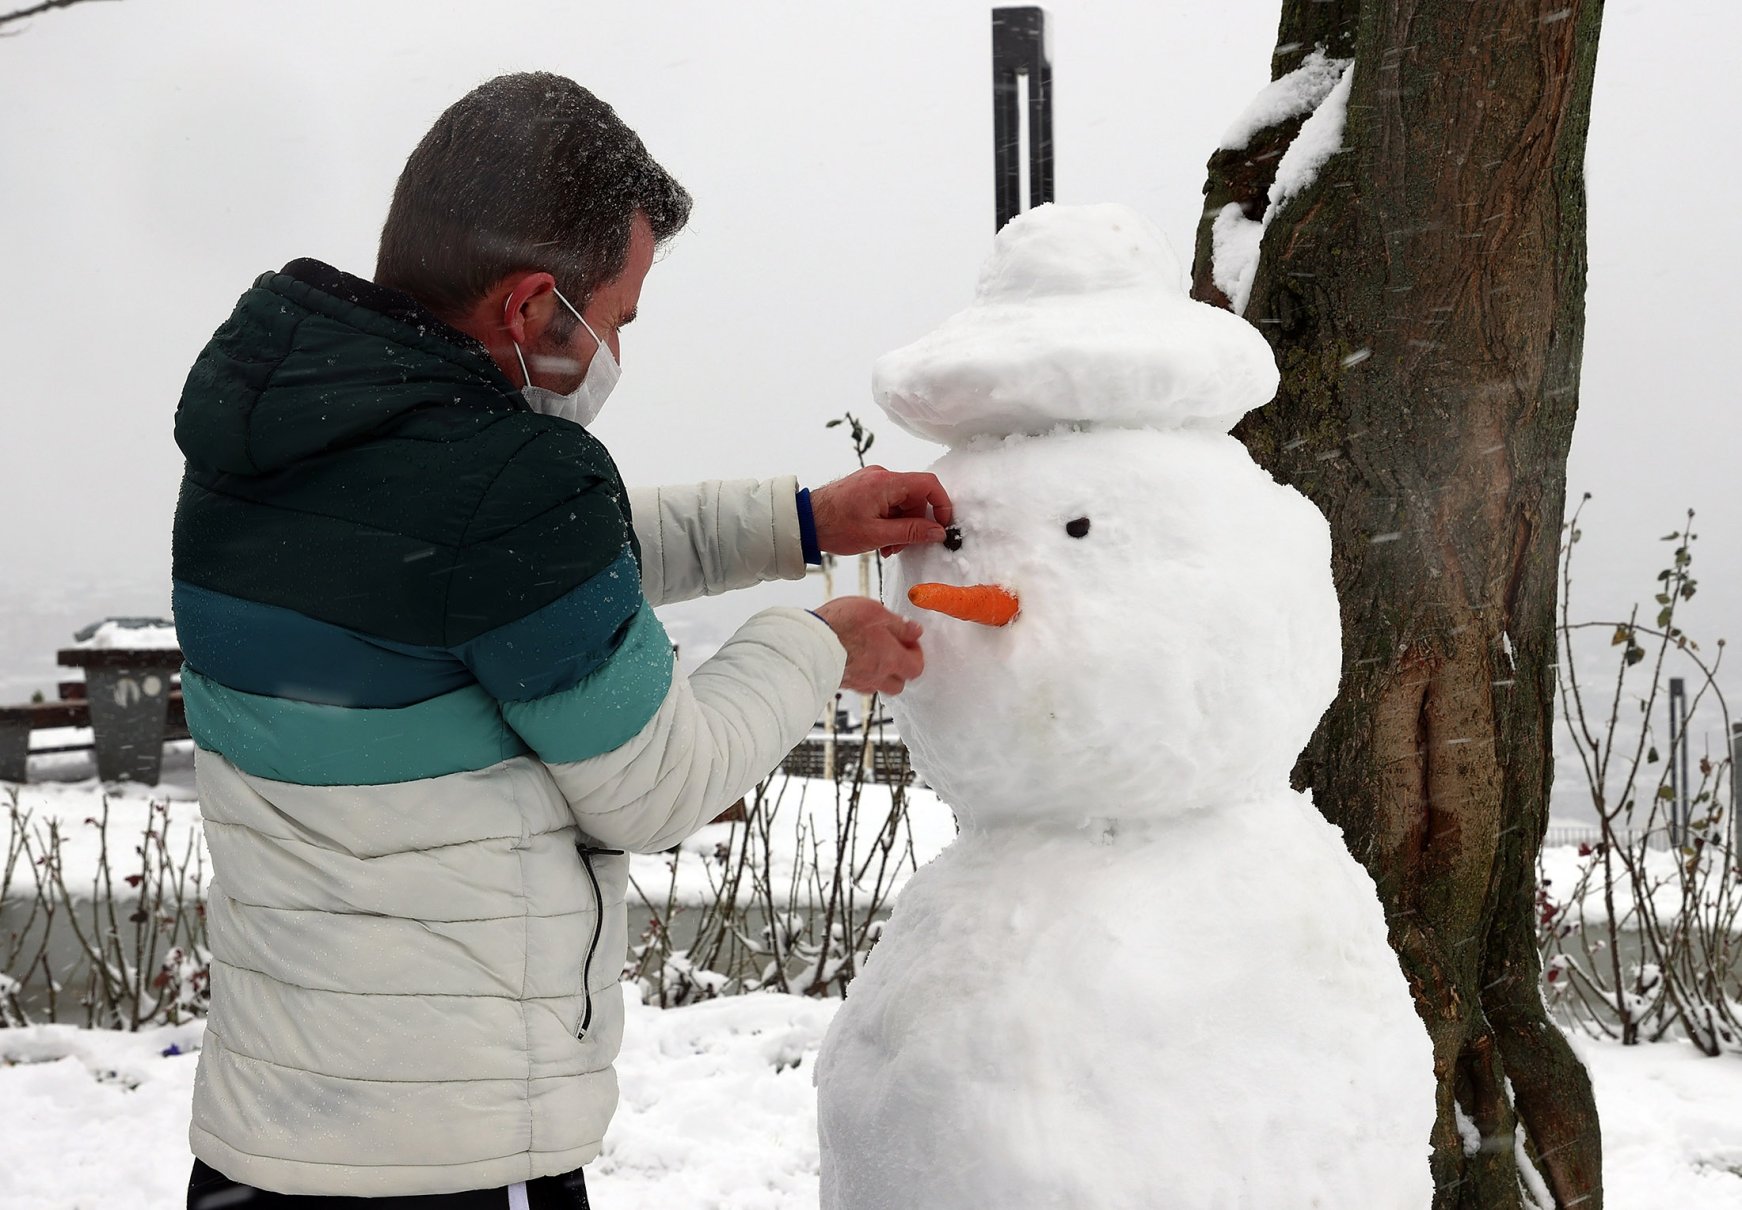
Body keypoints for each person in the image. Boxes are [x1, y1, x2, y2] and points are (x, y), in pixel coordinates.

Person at [173, 71, 951, 1209]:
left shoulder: (270, 445)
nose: (618, 346)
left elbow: (503, 566)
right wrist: (820, 645)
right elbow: (656, 781)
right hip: (452, 1159)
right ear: (534, 305)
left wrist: (796, 521)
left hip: (262, 1143)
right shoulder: (508, 489)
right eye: (618, 316)